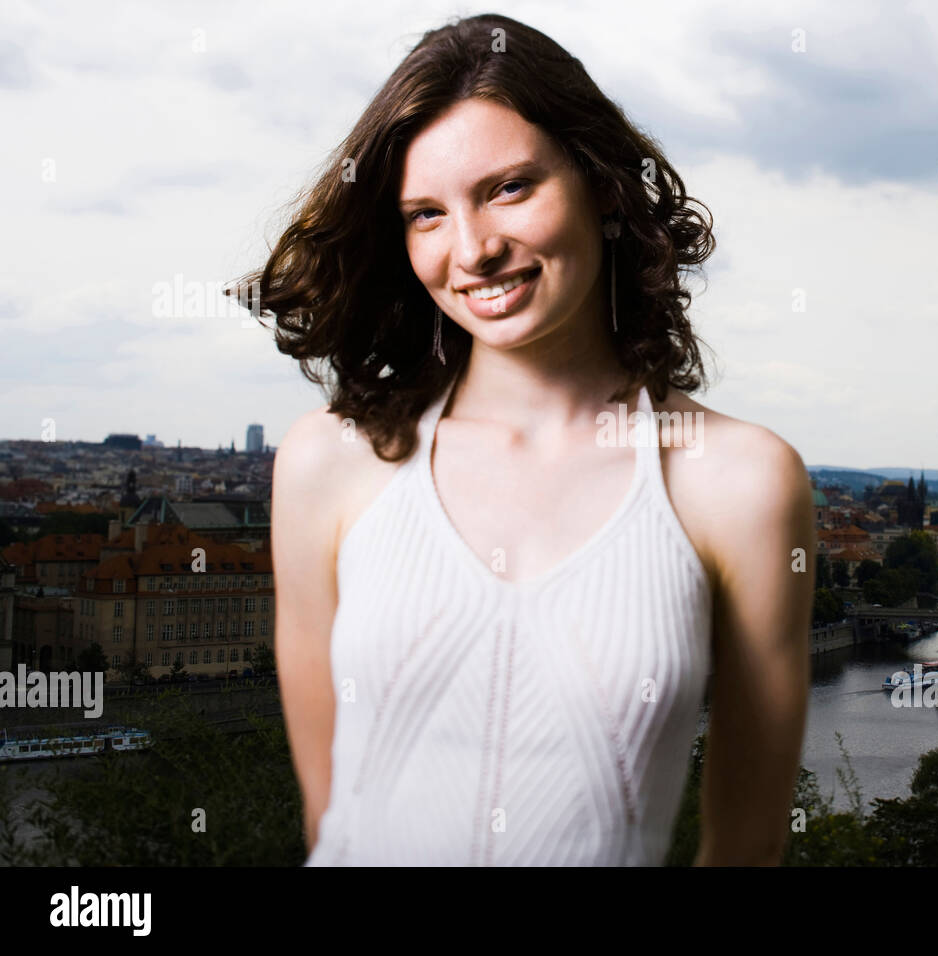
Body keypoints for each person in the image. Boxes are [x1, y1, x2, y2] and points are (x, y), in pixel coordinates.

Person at [248, 12, 814, 865]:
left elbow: (744, 848)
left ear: (599, 185)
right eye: (425, 214)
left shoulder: (742, 483)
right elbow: (331, 827)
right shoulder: (328, 463)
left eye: (509, 188)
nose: (472, 250)